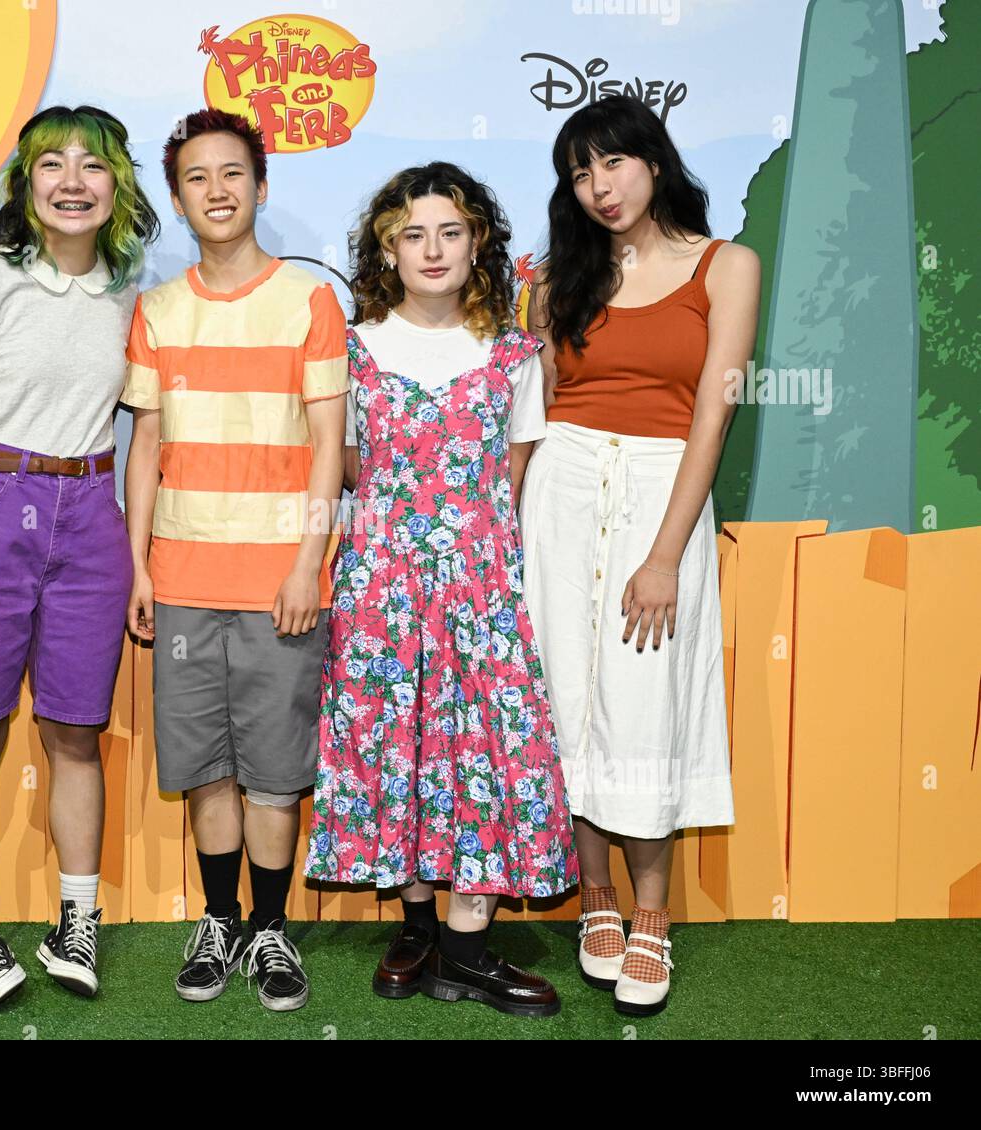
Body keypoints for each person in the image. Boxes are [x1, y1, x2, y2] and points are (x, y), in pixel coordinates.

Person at [303, 162, 579, 1018]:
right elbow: (340, 467)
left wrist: (485, 572)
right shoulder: (351, 348)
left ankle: (465, 948)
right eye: (411, 234)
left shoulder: (511, 354)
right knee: (398, 742)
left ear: (478, 243)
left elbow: (515, 472)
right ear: (386, 248)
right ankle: (417, 926)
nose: (432, 249)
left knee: (483, 749)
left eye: (449, 232)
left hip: (480, 585)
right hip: (381, 582)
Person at [0, 105, 159, 1009]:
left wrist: (66, 495)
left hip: (94, 516)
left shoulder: (135, 297)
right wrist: (6, 486)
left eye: (91, 166)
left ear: (117, 185)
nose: (70, 182)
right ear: (25, 184)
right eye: (49, 164)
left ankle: (76, 923)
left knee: (75, 731)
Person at [522, 94, 758, 1016]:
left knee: (644, 695)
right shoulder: (557, 280)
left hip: (665, 492)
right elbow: (535, 413)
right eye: (580, 173)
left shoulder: (726, 265)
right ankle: (597, 899)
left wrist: (664, 553)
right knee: (565, 690)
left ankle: (651, 915)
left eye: (611, 163)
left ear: (653, 161)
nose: (597, 186)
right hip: (565, 490)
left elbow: (715, 409)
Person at [121, 109, 347, 1013]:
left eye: (232, 174)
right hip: (179, 581)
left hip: (279, 585)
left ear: (261, 186)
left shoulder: (309, 302)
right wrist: (139, 569)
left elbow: (330, 445)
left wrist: (308, 562)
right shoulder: (158, 311)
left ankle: (270, 932)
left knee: (275, 773)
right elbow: (144, 450)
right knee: (206, 769)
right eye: (196, 178)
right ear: (178, 199)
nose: (216, 191)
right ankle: (220, 922)